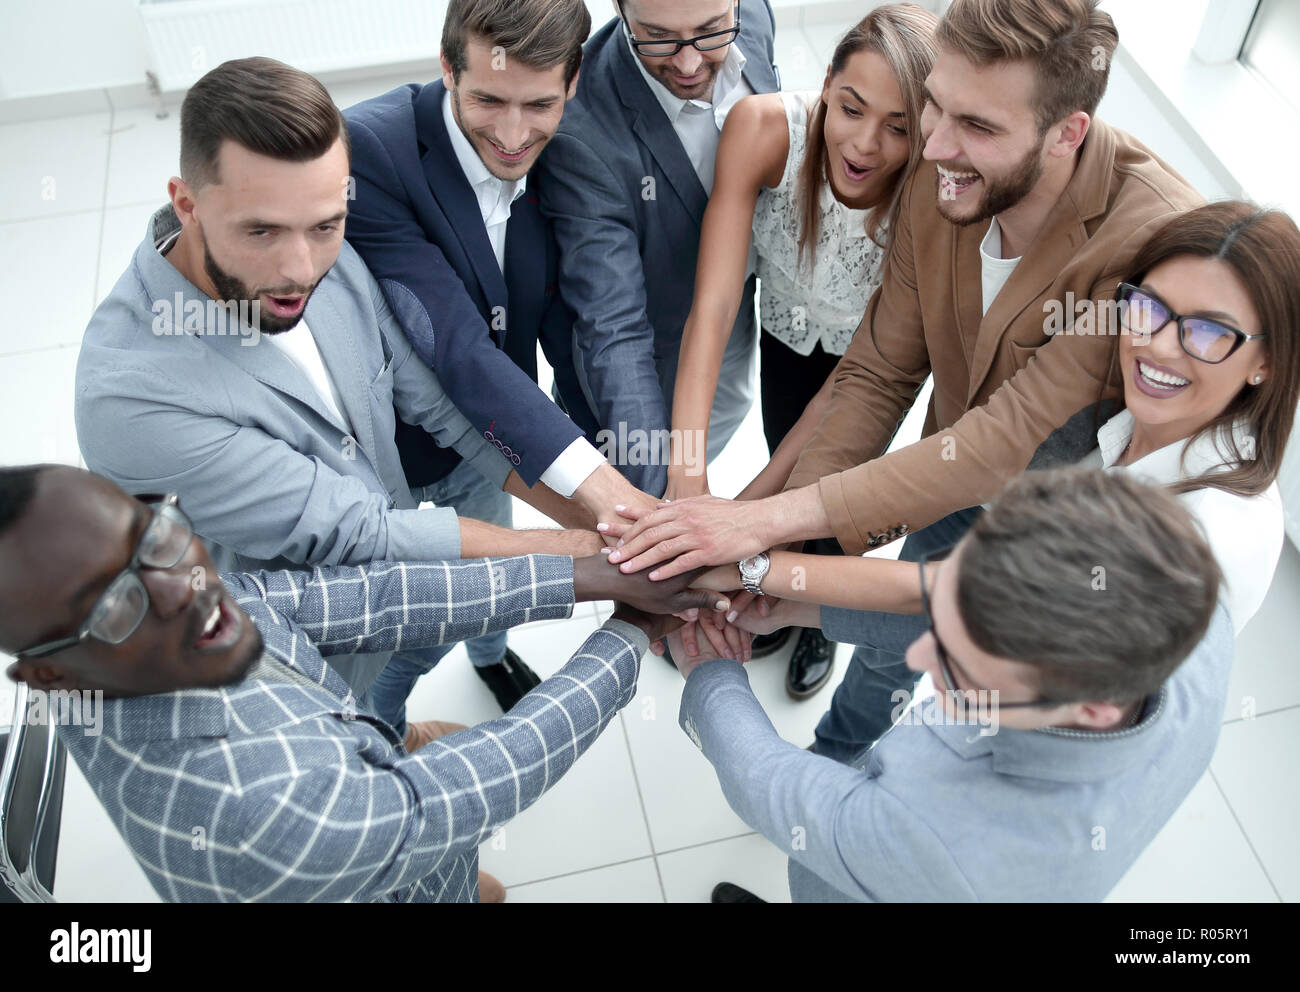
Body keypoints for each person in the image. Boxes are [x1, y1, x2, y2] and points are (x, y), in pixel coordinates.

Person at [601, 0, 1204, 760]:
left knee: (970, 697)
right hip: (946, 471)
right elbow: (881, 372)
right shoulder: (942, 163)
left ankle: (846, 778)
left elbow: (1005, 439)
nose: (935, 147)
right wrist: (787, 539)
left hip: (1068, 525)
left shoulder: (1148, 239)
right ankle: (835, 766)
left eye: (977, 126)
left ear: (1068, 134)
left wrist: (760, 532)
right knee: (891, 637)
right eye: (936, 108)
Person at [73, 59, 620, 742]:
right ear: (187, 203)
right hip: (285, 681)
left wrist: (624, 523)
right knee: (375, 779)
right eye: (261, 232)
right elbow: (358, 533)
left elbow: (445, 410)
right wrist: (598, 561)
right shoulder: (128, 398)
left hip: (396, 595)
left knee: (403, 700)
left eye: (325, 226)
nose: (302, 270)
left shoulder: (328, 250)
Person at [0, 464, 727, 903]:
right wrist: (632, 631)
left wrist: (584, 575)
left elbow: (364, 602)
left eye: (150, 534)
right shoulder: (263, 818)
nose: (179, 588)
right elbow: (472, 783)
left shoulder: (123, 648)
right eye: (114, 603)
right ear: (47, 674)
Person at [678, 199, 1297, 678]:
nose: (1159, 345)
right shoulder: (1125, 429)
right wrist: (797, 606)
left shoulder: (1212, 530)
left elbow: (963, 592)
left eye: (1210, 333)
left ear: (1269, 360)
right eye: (1149, 308)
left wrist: (755, 565)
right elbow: (977, 617)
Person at [666, 467, 1234, 902]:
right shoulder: (1195, 612)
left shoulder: (945, 836)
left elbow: (772, 786)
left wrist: (708, 670)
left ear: (1093, 710)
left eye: (961, 670)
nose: (920, 658)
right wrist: (800, 611)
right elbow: (984, 617)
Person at [344, 0, 642, 725]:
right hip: (388, 453)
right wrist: (604, 497)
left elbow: (576, 328)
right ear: (446, 68)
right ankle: (378, 719)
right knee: (408, 626)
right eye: (487, 100)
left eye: (539, 104)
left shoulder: (569, 154)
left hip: (501, 437)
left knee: (494, 582)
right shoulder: (372, 150)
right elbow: (452, 343)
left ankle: (491, 655)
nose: (513, 137)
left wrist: (618, 475)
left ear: (572, 83)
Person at [664, 3, 938, 699]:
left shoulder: (929, 205)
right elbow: (715, 306)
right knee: (777, 440)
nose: (866, 145)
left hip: (866, 379)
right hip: (781, 339)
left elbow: (847, 392)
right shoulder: (761, 130)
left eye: (899, 128)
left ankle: (818, 622)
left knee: (830, 510)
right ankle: (776, 583)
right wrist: (689, 485)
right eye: (851, 108)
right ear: (826, 83)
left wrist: (739, 522)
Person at [536, 0, 780, 497]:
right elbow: (614, 327)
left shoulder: (753, 11)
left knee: (729, 408)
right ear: (619, 8)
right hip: (655, 351)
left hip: (748, 309)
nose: (689, 64)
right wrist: (661, 499)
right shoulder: (580, 130)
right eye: (658, 37)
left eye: (711, 32)